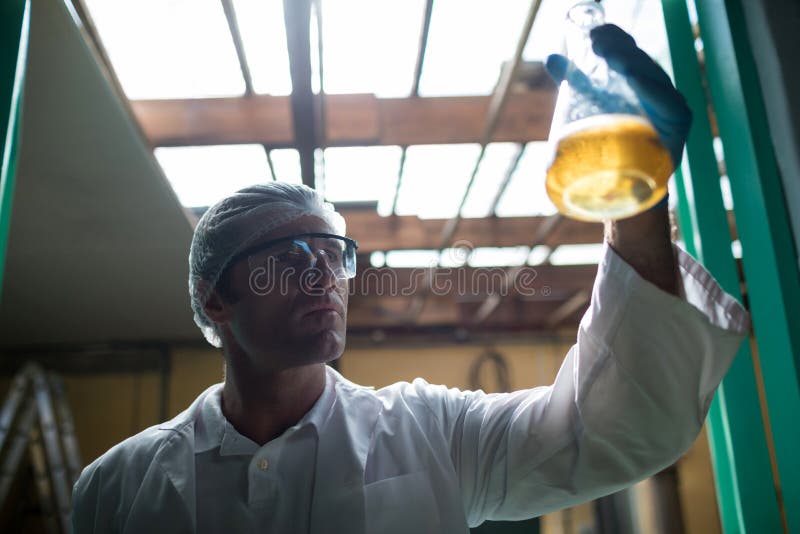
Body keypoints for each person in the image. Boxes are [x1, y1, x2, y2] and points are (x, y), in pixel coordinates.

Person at [71, 25, 748, 533]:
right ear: (216, 299)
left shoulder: (432, 433)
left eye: (332, 253)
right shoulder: (119, 487)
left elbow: (612, 430)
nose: (319, 272)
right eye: (286, 254)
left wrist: (638, 208)